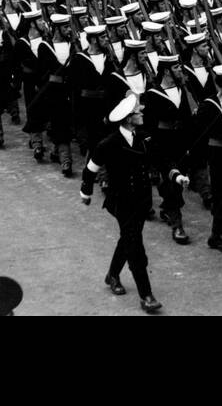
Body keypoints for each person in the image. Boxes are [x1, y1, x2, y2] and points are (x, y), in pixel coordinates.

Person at [80, 93, 176, 313]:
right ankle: (146, 296)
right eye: (137, 112)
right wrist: (86, 192)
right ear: (128, 118)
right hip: (121, 202)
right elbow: (90, 169)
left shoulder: (144, 138)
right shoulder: (109, 143)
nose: (141, 113)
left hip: (142, 201)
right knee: (135, 246)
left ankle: (112, 275)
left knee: (128, 237)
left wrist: (175, 174)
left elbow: (161, 160)